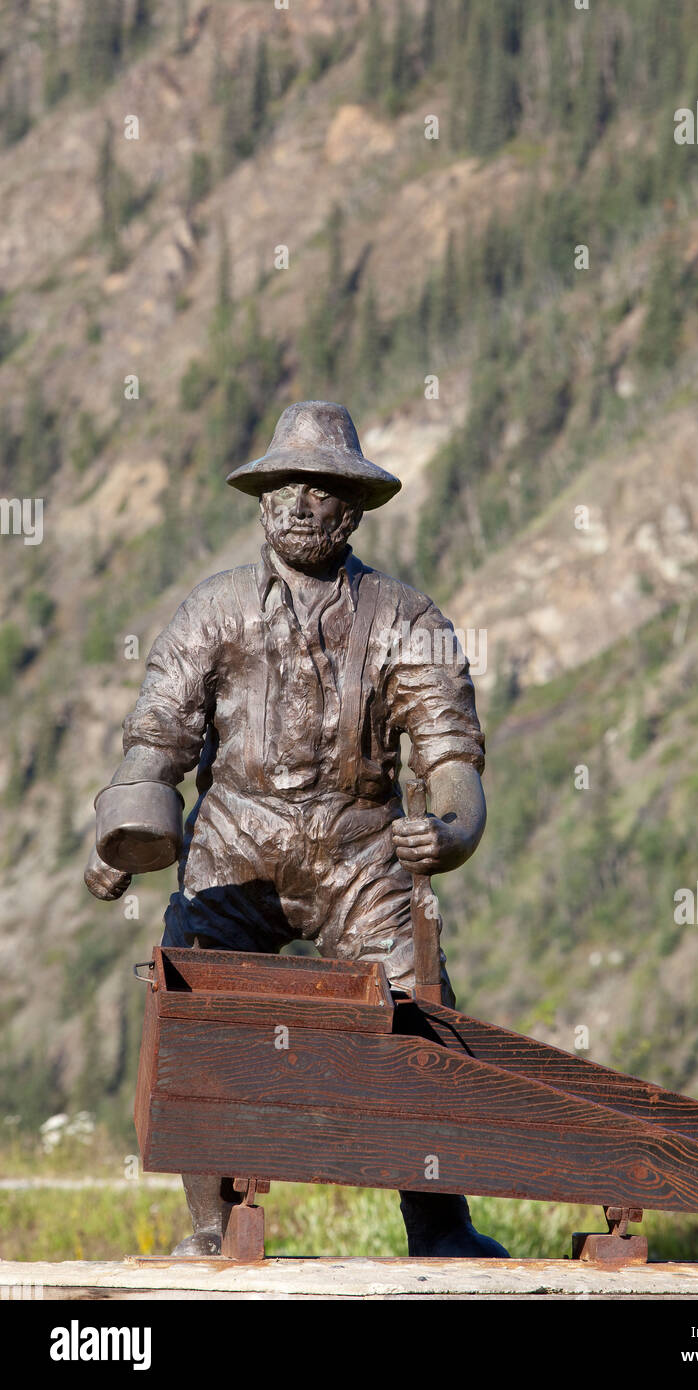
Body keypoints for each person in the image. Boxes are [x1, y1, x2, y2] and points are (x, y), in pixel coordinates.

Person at [85, 400, 509, 1259]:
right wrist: (120, 833)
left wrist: (456, 830)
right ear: (263, 502)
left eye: (324, 489)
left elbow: (449, 748)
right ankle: (214, 1221)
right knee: (193, 993)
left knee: (420, 1006)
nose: (304, 503)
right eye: (288, 487)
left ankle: (439, 1223)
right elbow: (158, 737)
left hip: (362, 846)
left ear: (353, 509)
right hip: (236, 839)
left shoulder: (407, 619)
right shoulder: (213, 612)